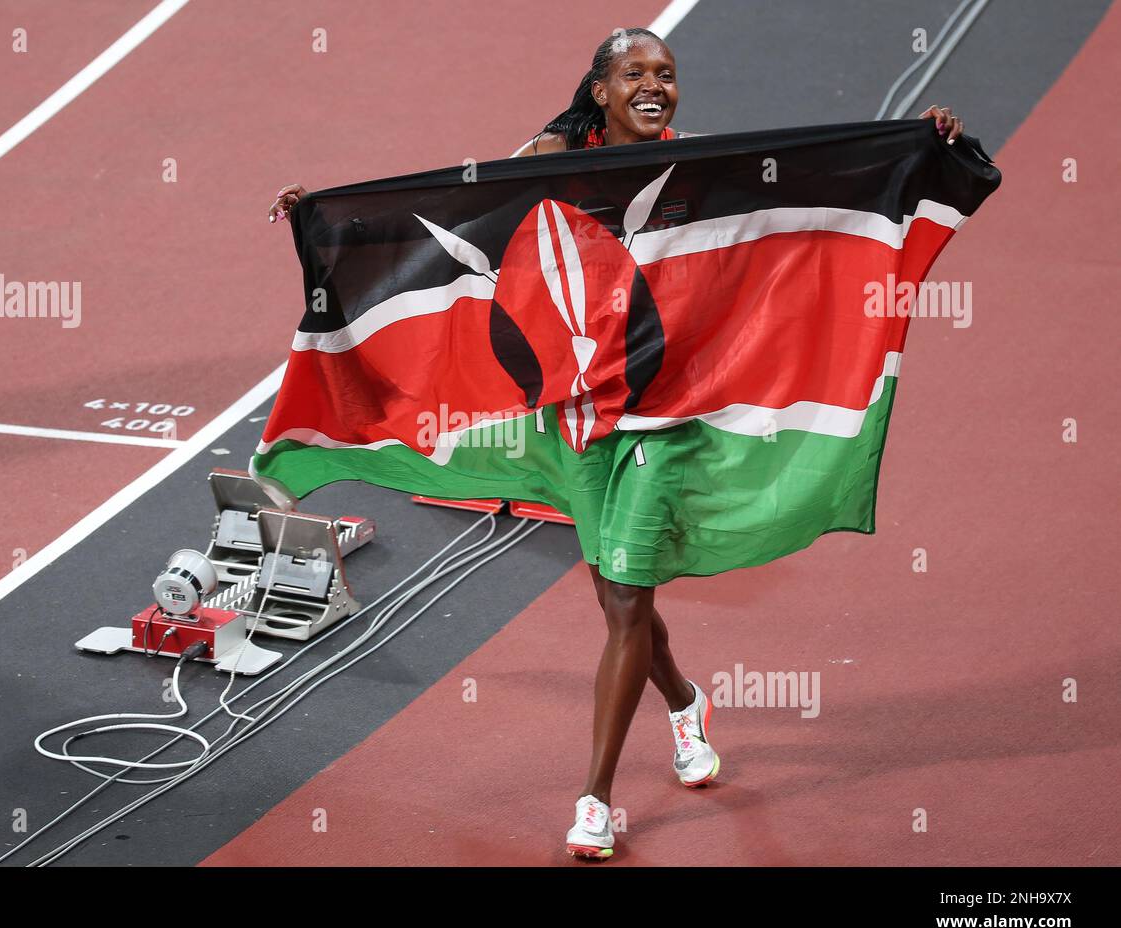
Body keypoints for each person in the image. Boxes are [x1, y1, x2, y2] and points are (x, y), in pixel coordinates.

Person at [268, 27, 965, 862]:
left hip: (666, 416)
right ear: (599, 89)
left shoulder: (700, 170)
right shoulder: (549, 158)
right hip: (578, 415)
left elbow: (818, 183)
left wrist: (920, 148)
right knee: (617, 593)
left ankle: (593, 800)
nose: (654, 85)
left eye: (666, 75)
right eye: (634, 72)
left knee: (628, 596)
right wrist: (325, 214)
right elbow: (451, 219)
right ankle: (685, 703)